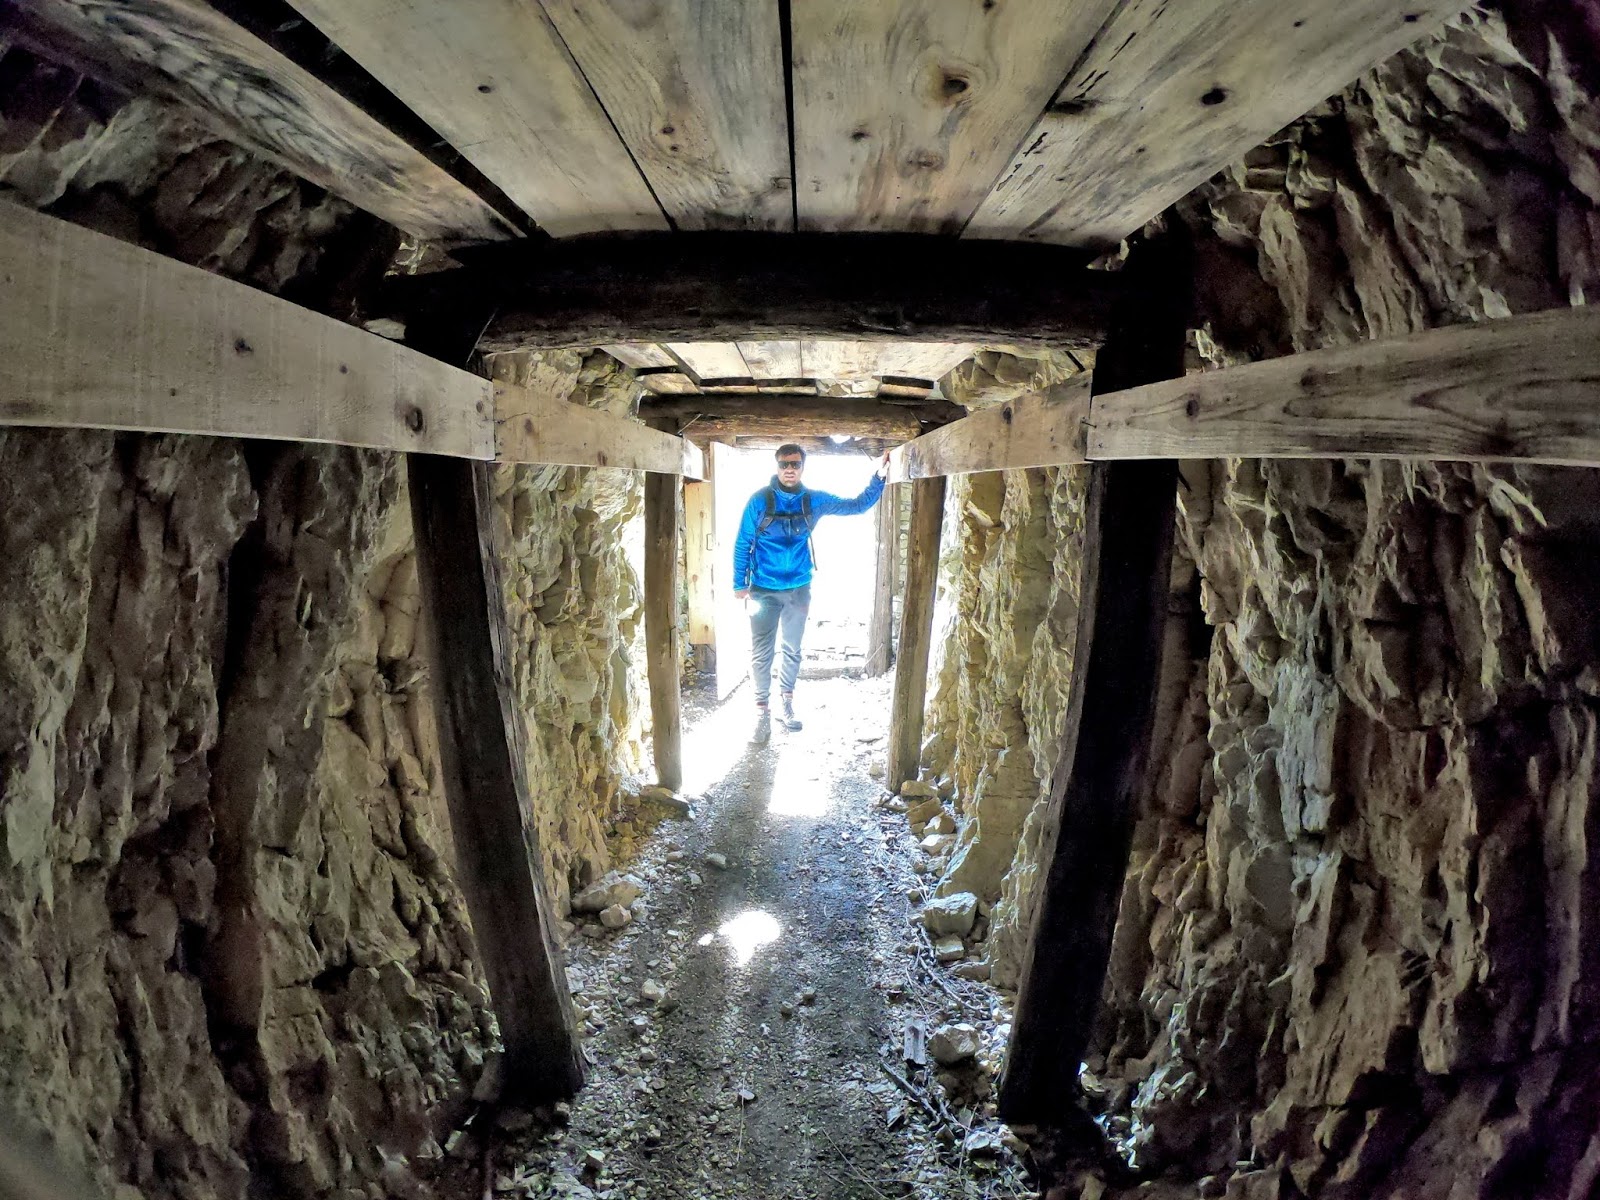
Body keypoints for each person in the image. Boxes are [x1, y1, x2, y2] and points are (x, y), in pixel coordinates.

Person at [733, 443, 888, 745]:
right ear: (776, 467)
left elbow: (856, 505)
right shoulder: (759, 502)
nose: (789, 469)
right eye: (783, 464)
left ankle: (786, 704)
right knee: (761, 653)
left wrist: (879, 477)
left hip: (798, 590)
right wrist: (739, 583)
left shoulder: (813, 501)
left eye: (794, 463)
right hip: (763, 590)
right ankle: (761, 712)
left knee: (792, 649)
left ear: (803, 466)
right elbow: (742, 543)